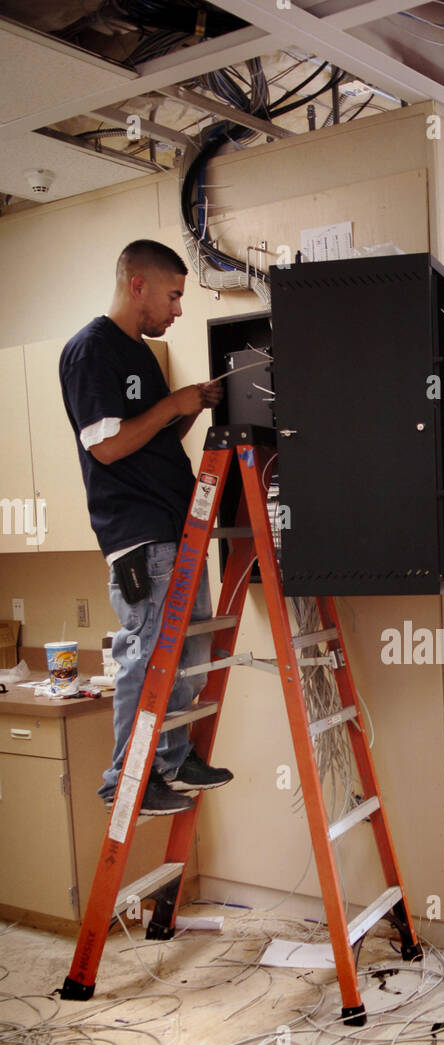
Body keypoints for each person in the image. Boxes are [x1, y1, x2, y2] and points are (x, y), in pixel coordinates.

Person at [59, 239, 233, 816]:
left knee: (188, 651)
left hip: (174, 527)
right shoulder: (90, 352)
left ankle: (173, 757)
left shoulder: (139, 355)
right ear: (139, 285)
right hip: (139, 535)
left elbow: (147, 441)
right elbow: (107, 446)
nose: (178, 310)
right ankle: (124, 779)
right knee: (148, 653)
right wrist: (173, 403)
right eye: (174, 295)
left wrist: (186, 410)